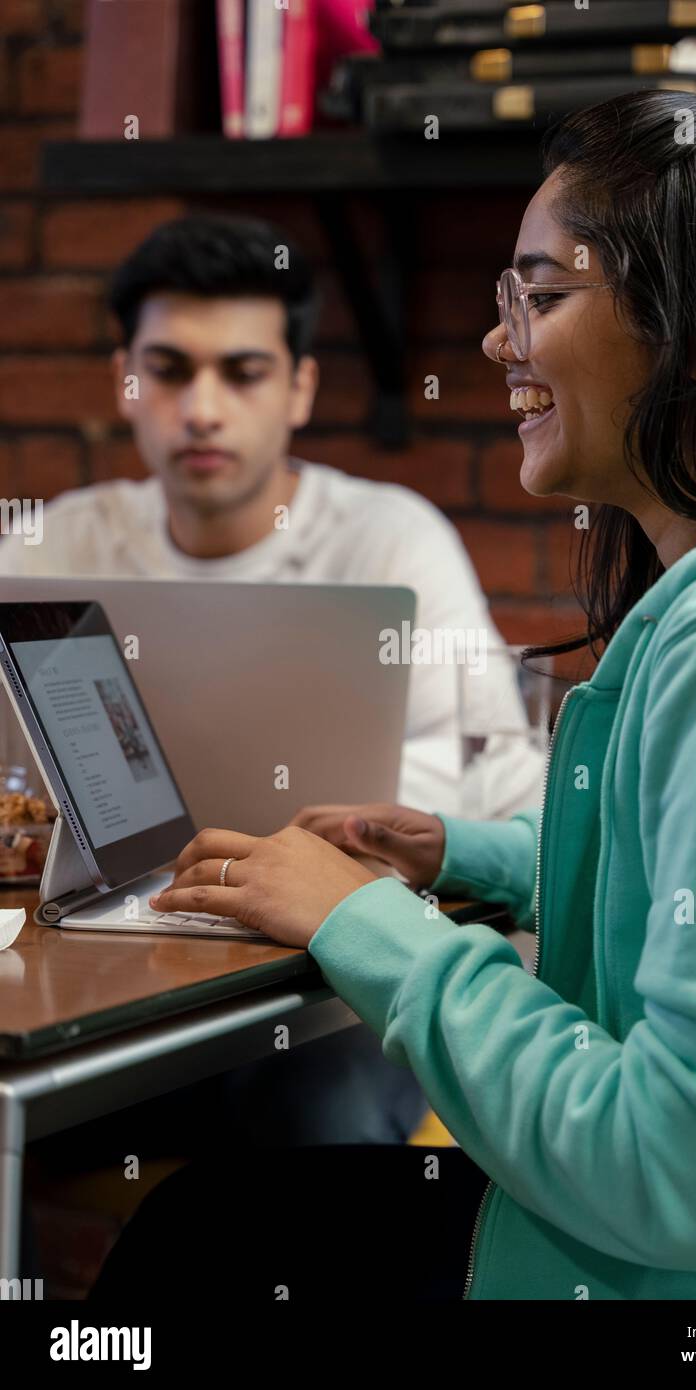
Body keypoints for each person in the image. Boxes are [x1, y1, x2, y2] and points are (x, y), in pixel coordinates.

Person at [89, 86, 696, 1300]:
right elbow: (683, 887)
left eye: (540, 297)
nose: (499, 343)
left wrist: (366, 926)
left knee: (195, 1245)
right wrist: (474, 853)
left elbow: (686, 1168)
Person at [1, 214, 546, 1155]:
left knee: (317, 1116)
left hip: (328, 994)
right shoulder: (53, 547)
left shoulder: (393, 541)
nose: (201, 409)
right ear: (124, 382)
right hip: (106, 985)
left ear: (299, 388)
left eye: (242, 373)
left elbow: (505, 783)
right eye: (169, 370)